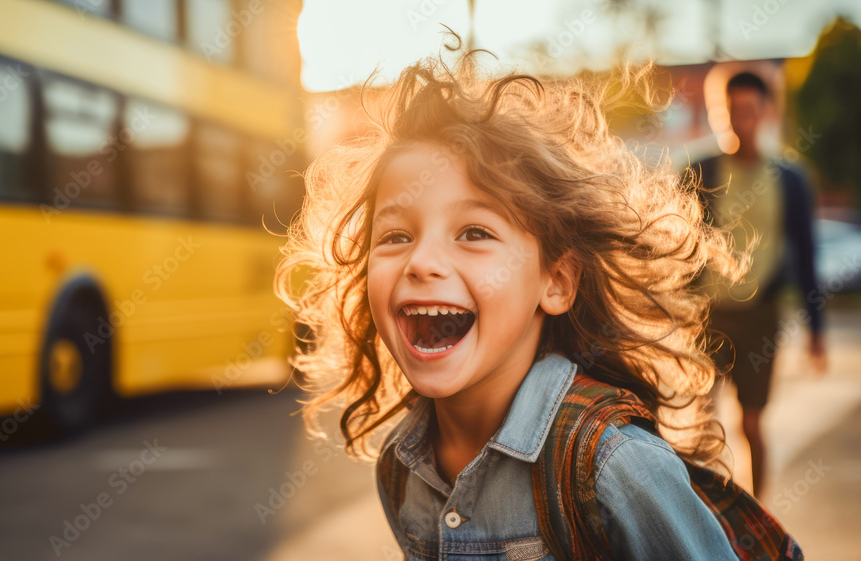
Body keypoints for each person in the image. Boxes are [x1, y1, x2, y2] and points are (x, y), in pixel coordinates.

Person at [275, 42, 799, 560]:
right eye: (394, 236)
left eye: (474, 231)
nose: (421, 262)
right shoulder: (399, 465)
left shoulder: (614, 466)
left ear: (557, 282)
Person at [694, 71, 828, 498]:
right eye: (732, 111)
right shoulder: (700, 171)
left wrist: (817, 331)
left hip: (761, 317)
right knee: (700, 424)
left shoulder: (791, 180)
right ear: (721, 113)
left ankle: (759, 516)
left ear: (766, 112)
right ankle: (705, 516)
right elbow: (678, 248)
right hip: (706, 317)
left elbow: (807, 257)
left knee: (751, 423)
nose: (741, 121)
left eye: (750, 111)